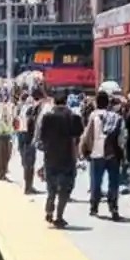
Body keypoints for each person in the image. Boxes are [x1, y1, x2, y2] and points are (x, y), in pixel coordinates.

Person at [36, 92, 82, 227]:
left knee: (51, 187)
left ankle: (49, 209)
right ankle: (59, 216)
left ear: (54, 102)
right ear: (66, 101)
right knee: (65, 189)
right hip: (67, 158)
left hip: (50, 158)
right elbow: (78, 134)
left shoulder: (47, 117)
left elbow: (42, 138)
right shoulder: (73, 117)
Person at [80, 90, 127, 221]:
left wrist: (84, 151)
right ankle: (113, 207)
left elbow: (87, 135)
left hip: (96, 154)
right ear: (108, 103)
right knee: (113, 182)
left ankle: (94, 207)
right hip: (112, 154)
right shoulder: (116, 117)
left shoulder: (93, 116)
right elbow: (122, 137)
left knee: (96, 181)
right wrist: (122, 153)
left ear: (96, 102)